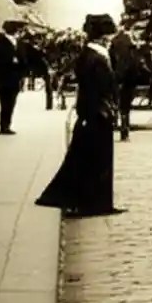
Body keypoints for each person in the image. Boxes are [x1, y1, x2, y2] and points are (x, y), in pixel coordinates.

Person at [35, 14, 126, 218]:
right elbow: (96, 88)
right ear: (102, 37)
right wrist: (104, 109)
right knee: (93, 160)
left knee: (94, 159)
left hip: (97, 112)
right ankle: (91, 203)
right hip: (95, 113)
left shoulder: (93, 54)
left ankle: (98, 202)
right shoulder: (94, 57)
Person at [0, 20, 26, 134]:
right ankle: (4, 125)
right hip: (3, 76)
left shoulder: (18, 42)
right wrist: (11, 60)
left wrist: (22, 71)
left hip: (15, 76)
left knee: (11, 101)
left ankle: (6, 124)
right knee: (5, 102)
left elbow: (23, 58)